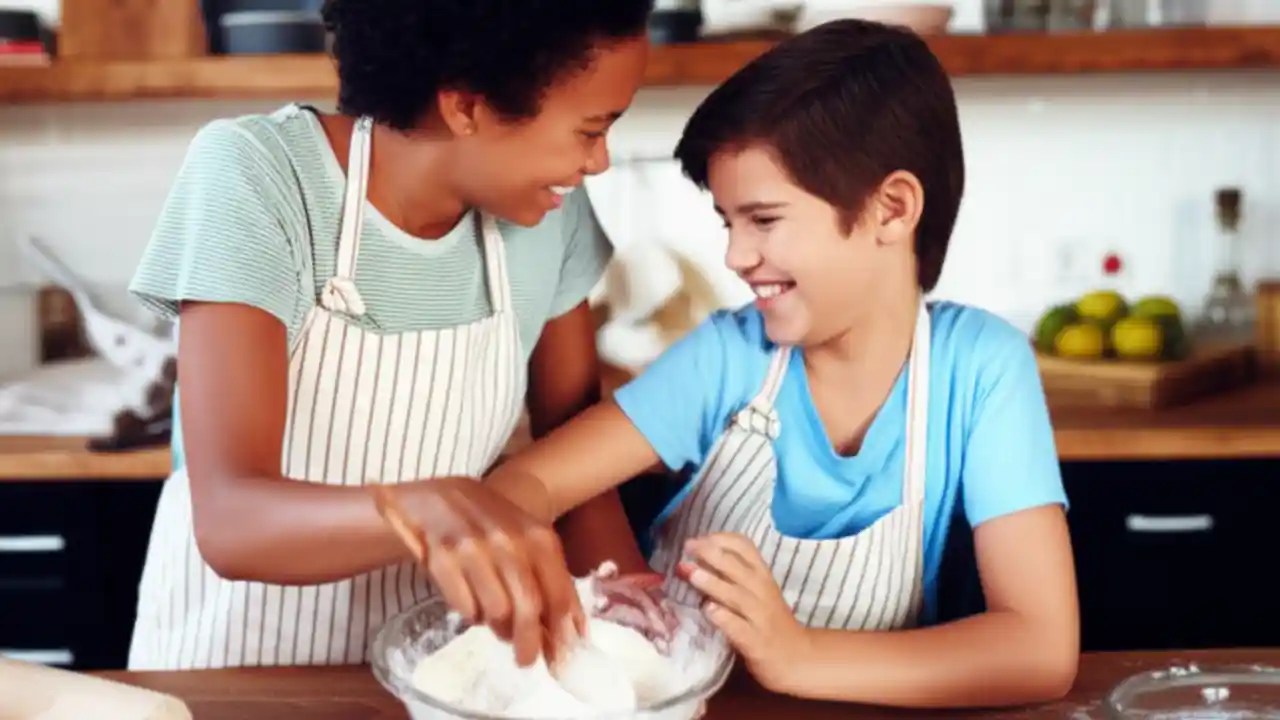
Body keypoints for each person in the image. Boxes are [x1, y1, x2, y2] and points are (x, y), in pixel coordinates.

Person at [382, 18, 1081, 709]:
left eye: (765, 220)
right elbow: (526, 484)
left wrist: (799, 655)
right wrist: (568, 577)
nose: (735, 256)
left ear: (892, 209)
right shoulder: (730, 357)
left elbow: (1040, 650)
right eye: (728, 220)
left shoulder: (982, 368)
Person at [124, 0, 660, 670]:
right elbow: (232, 522)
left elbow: (578, 460)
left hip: (442, 669)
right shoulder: (259, 176)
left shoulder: (550, 213)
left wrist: (630, 610)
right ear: (466, 106)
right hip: (235, 670)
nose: (600, 161)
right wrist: (427, 508)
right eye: (590, 129)